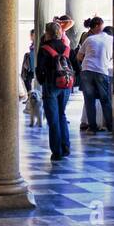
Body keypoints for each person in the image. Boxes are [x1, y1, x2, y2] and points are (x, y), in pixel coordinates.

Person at [34, 20, 72, 162]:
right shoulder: (67, 47)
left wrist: (43, 82)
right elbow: (76, 67)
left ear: (47, 33)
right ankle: (66, 147)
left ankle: (57, 152)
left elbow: (39, 69)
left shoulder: (45, 48)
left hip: (51, 86)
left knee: (53, 119)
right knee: (62, 115)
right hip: (66, 86)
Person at [76, 16, 113, 133]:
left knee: (89, 100)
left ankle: (92, 128)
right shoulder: (112, 40)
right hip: (102, 71)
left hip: (86, 70)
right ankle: (111, 127)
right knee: (105, 100)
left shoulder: (90, 39)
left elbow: (79, 56)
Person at [20, 29, 35, 104]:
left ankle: (31, 98)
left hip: (34, 67)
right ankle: (29, 97)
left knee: (27, 81)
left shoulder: (37, 44)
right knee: (26, 81)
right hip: (31, 67)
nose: (31, 37)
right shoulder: (33, 44)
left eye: (32, 35)